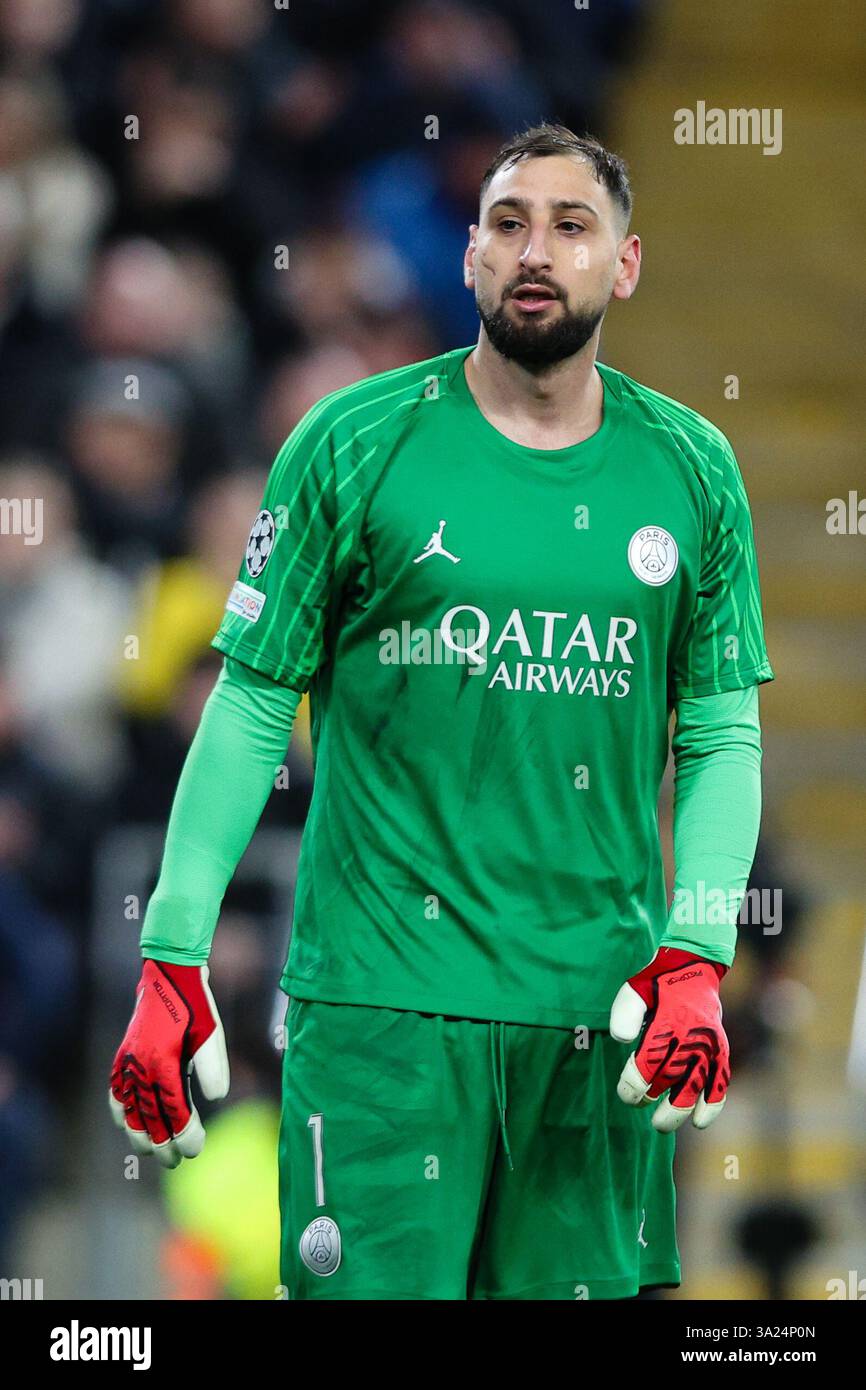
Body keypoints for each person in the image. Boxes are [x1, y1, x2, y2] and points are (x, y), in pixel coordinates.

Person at [110, 123, 773, 1300]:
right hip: (377, 1009)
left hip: (595, 1014)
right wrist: (172, 951)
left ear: (623, 264)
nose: (535, 251)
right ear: (467, 257)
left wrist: (699, 949)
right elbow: (255, 705)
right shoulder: (349, 444)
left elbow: (718, 733)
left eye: (571, 227)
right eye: (507, 224)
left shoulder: (692, 467)